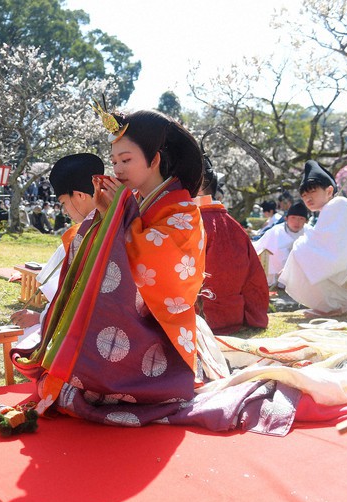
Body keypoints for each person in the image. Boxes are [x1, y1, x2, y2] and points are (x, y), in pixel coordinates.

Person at [13, 109, 209, 427]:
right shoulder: (136, 201)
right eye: (114, 161)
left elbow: (156, 266)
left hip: (160, 329)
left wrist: (119, 217)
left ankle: (131, 383)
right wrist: (109, 215)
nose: (117, 169)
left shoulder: (182, 211)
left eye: (126, 160)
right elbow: (110, 244)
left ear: (155, 160)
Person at [10, 153, 103, 341]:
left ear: (79, 195)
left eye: (64, 203)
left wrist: (41, 318)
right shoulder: (85, 229)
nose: (65, 211)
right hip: (74, 322)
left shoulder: (93, 233)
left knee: (26, 340)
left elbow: (79, 300)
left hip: (90, 331)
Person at [280, 160, 347, 316]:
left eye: (312, 192)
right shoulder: (335, 207)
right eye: (304, 195)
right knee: (305, 250)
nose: (308, 198)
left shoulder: (337, 205)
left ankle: (330, 306)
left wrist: (297, 254)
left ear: (329, 191)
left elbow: (333, 255)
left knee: (301, 250)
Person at [194, 155, 269, 334]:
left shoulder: (189, 223)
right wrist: (253, 315)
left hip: (197, 321)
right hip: (234, 316)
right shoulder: (234, 225)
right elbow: (255, 281)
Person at [253, 201, 309, 287]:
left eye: (301, 219)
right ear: (286, 218)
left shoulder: (310, 232)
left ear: (306, 221)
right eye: (293, 218)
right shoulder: (275, 232)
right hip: (276, 274)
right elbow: (261, 250)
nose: (297, 222)